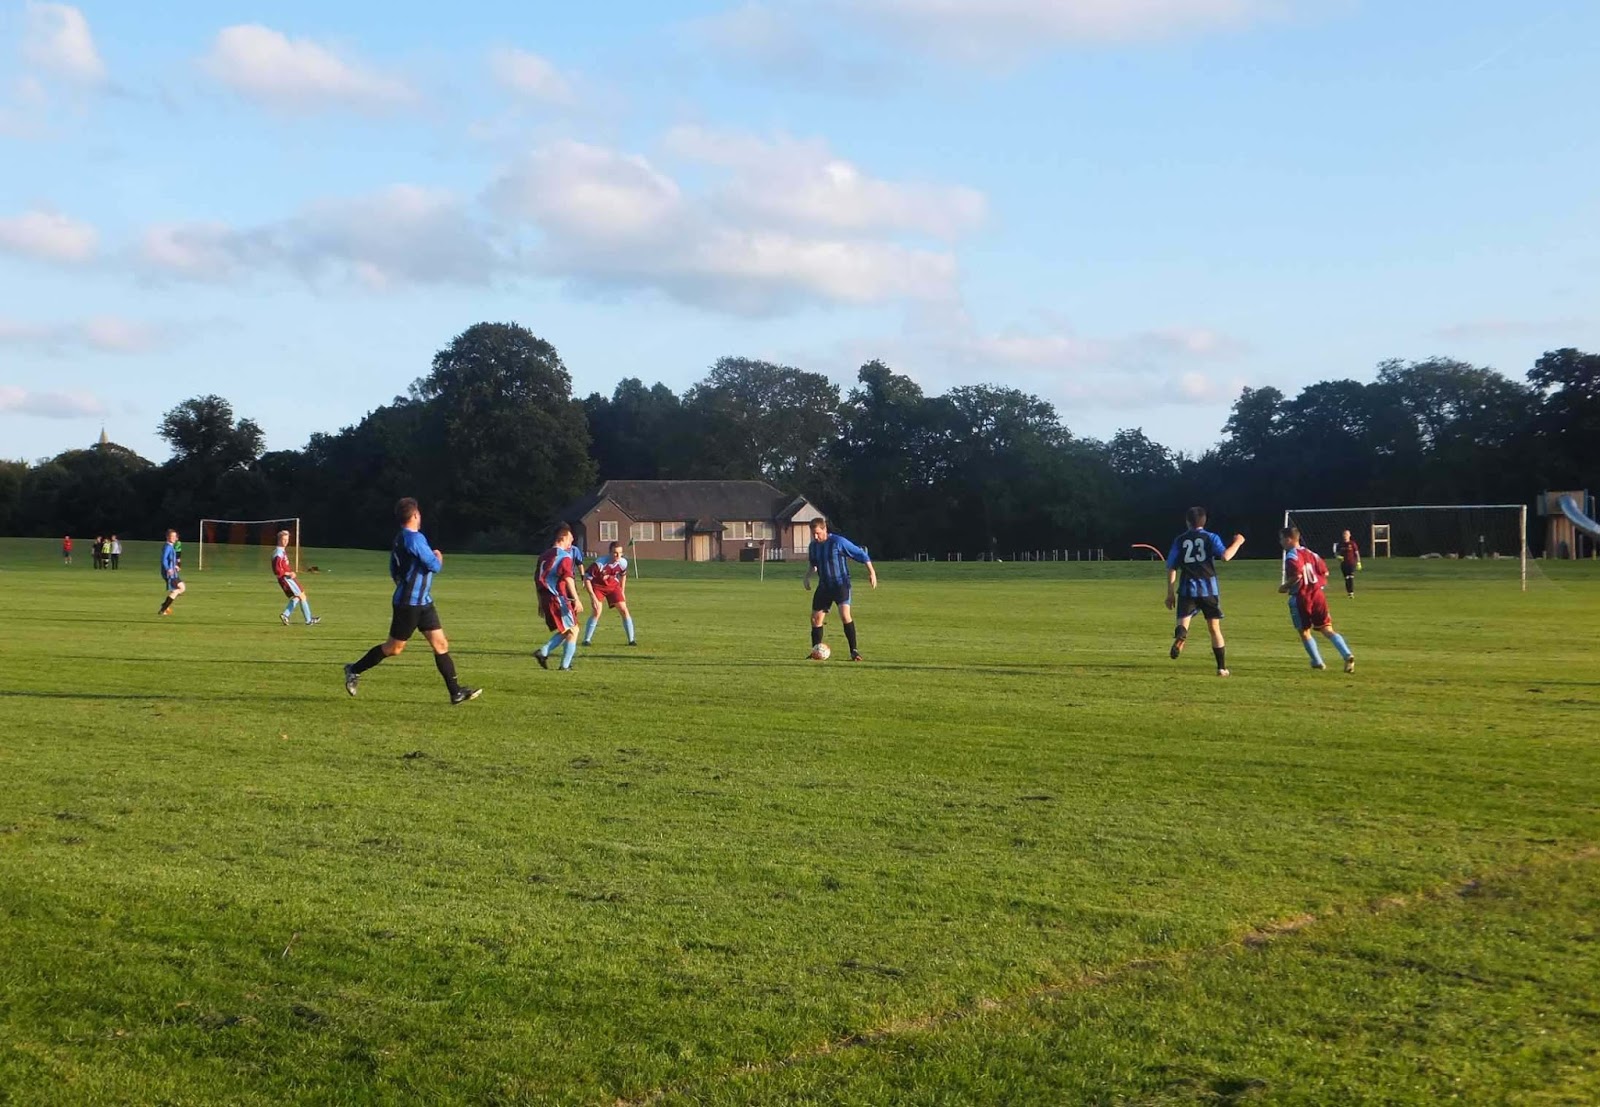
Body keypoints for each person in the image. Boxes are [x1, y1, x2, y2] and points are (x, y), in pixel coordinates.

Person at [342, 498, 480, 705]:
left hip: (423, 602)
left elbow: (393, 569)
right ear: (415, 515)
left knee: (441, 644)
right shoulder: (414, 539)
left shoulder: (400, 538)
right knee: (394, 648)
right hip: (409, 605)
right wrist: (438, 555)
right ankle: (353, 670)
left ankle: (455, 692)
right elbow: (434, 566)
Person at [1165, 506, 1246, 677]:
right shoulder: (1211, 537)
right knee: (1214, 628)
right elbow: (1225, 556)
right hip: (1209, 588)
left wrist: (1170, 593)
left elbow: (1171, 567)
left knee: (1182, 623)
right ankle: (1221, 668)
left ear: (1187, 522)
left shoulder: (1180, 540)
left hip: (1187, 588)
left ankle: (1181, 637)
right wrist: (1238, 542)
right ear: (1204, 521)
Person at [1280, 526, 1356, 673]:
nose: (1281, 542)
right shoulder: (1312, 554)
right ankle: (1347, 654)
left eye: (1281, 539)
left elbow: (1297, 576)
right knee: (1327, 629)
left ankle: (1317, 661)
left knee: (1304, 631)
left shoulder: (1291, 556)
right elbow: (1325, 572)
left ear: (1289, 539)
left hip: (1302, 597)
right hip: (1318, 595)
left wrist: (1284, 587)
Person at [804, 517, 877, 661]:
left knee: (844, 615)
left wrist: (872, 572)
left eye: (818, 533)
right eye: (813, 534)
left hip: (840, 584)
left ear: (825, 529)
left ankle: (854, 651)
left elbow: (861, 554)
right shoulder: (813, 546)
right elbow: (813, 564)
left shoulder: (838, 542)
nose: (815, 536)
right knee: (815, 619)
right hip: (824, 585)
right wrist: (807, 577)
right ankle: (816, 652)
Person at [534, 524, 584, 671]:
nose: (571, 543)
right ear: (563, 538)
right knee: (573, 630)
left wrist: (540, 603)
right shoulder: (564, 557)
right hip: (557, 597)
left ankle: (547, 654)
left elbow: (537, 580)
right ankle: (559, 662)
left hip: (546, 598)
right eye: (570, 540)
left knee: (567, 630)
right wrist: (576, 599)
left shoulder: (543, 556)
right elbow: (568, 579)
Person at [582, 540, 636, 646]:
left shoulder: (623, 562)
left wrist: (622, 590)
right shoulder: (599, 564)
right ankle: (586, 640)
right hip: (598, 586)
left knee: (624, 610)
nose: (617, 555)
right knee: (597, 611)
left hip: (613, 586)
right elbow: (587, 579)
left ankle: (631, 640)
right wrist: (592, 597)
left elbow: (623, 575)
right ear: (610, 552)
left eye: (620, 553)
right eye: (615, 553)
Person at [273, 529, 319, 625]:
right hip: (286, 579)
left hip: (288, 578)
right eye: (284, 539)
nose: (286, 542)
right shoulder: (278, 553)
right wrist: (288, 573)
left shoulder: (281, 551)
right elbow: (277, 569)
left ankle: (286, 615)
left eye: (287, 539)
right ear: (279, 540)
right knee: (301, 595)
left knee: (298, 596)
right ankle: (308, 620)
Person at [158, 529, 185, 615]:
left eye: (175, 536)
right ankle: (163, 609)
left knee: (182, 588)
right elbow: (164, 559)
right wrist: (168, 569)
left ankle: (165, 605)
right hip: (169, 573)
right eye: (171, 536)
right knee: (176, 590)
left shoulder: (171, 546)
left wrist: (175, 566)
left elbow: (171, 559)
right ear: (167, 537)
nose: (173, 538)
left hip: (173, 572)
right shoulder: (167, 547)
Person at [1332, 528, 1362, 599]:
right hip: (1343, 564)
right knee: (1346, 578)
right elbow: (1337, 553)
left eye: (1347, 534)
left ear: (1349, 535)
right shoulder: (1341, 544)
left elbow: (1356, 553)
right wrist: (1338, 557)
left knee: (1350, 577)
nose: (1345, 536)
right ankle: (1349, 592)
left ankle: (1351, 592)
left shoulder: (1352, 544)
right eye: (1344, 534)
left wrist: (1358, 562)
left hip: (1351, 563)